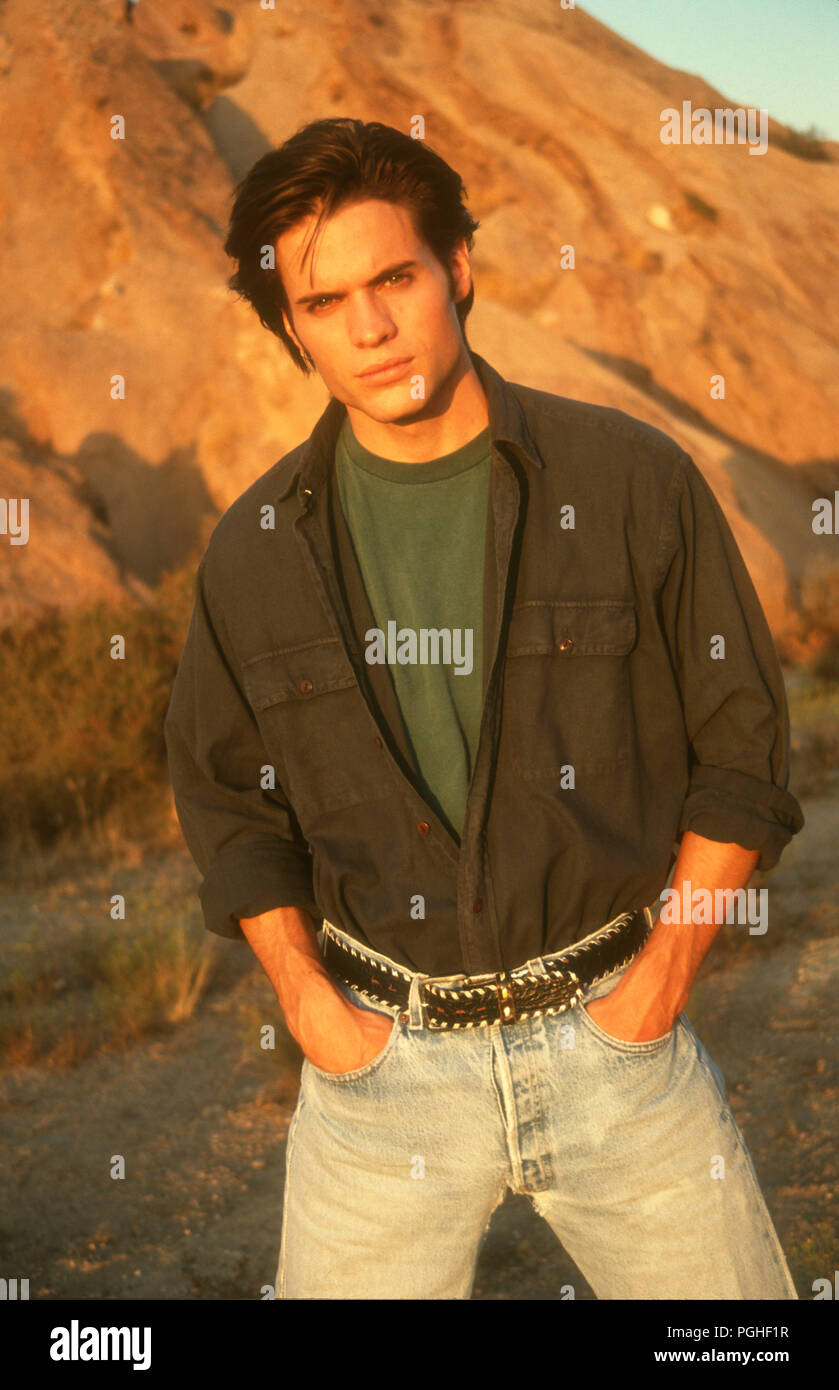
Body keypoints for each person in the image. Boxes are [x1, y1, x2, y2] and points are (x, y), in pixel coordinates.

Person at [164, 118, 804, 1300]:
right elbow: (226, 797)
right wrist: (309, 1003)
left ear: (457, 266)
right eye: (324, 303)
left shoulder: (626, 479)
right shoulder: (254, 551)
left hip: (619, 1043)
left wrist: (658, 981)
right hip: (377, 1065)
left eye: (394, 278)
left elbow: (743, 747)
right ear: (289, 326)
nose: (369, 327)